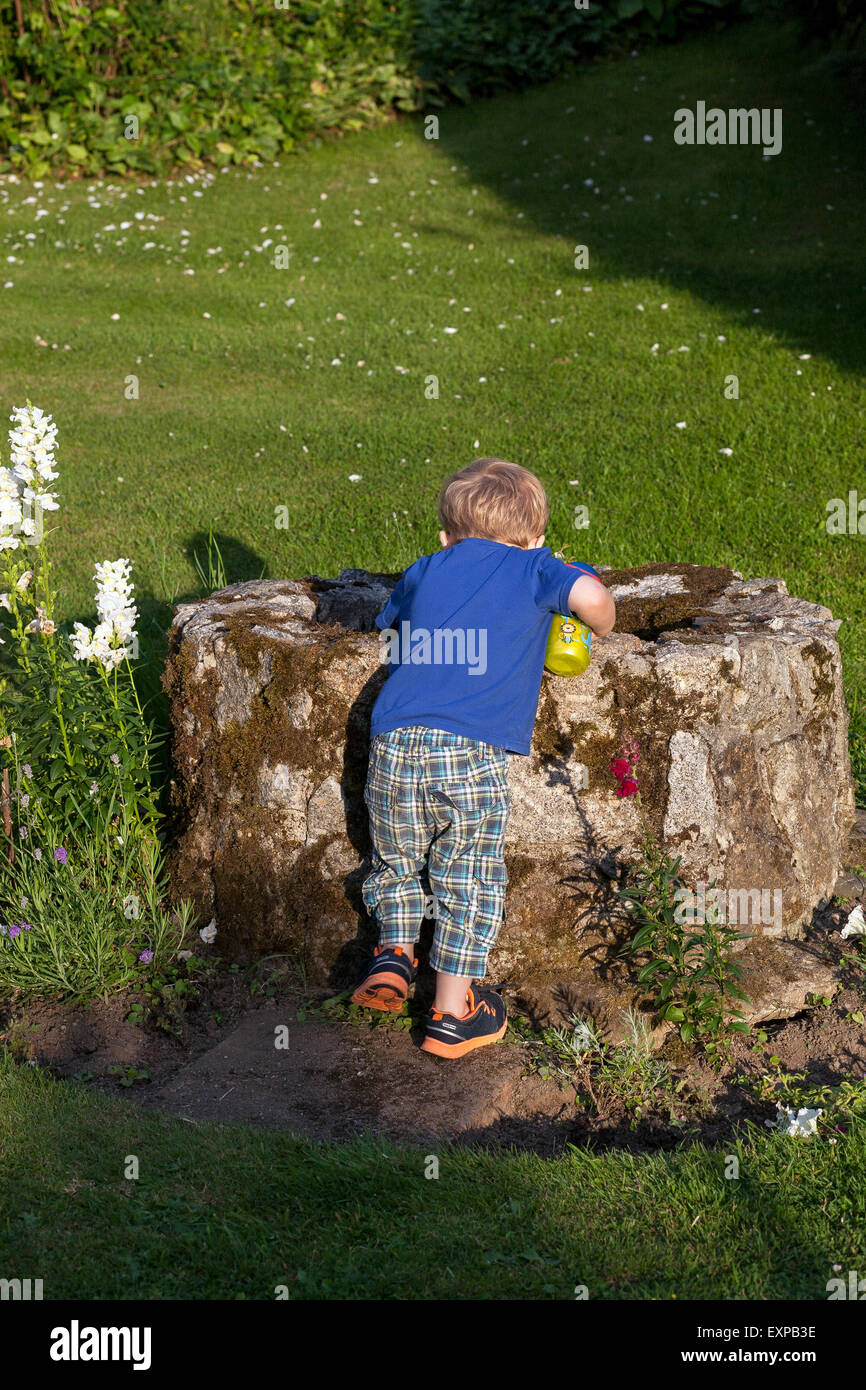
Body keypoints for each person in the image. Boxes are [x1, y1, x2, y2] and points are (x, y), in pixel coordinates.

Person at [352, 457, 616, 1058]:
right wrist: (595, 620)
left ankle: (392, 958)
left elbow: (387, 620)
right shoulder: (536, 568)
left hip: (393, 741)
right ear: (536, 540)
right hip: (468, 753)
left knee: (396, 857)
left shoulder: (424, 568)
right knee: (466, 874)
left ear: (446, 537)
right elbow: (594, 599)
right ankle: (451, 1013)